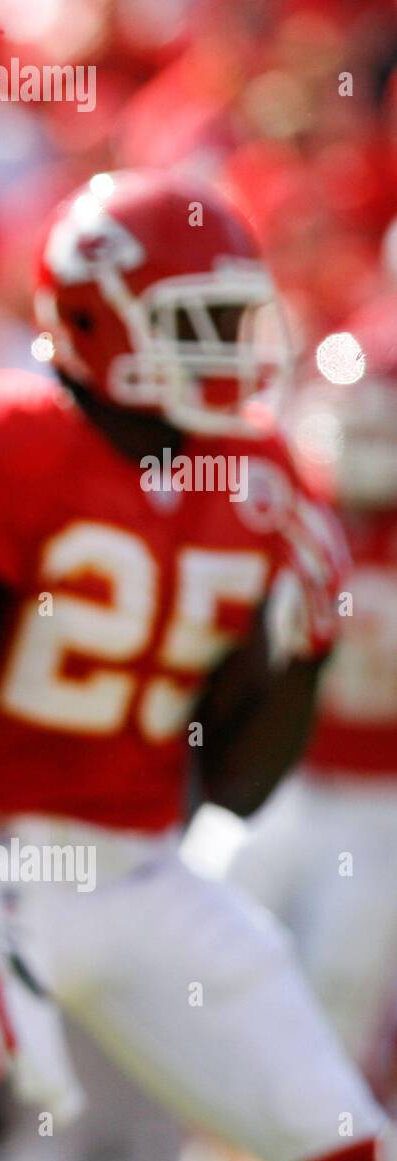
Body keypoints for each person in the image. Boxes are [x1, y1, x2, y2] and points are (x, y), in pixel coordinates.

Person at [0, 170, 390, 1161]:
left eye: (234, 316)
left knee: (342, 1147)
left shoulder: (254, 472)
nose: (227, 344)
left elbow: (234, 786)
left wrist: (297, 649)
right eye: (195, 319)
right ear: (92, 317)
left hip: (138, 867)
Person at [228, 296, 397, 1072]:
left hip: (380, 802)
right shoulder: (295, 508)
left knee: (341, 978)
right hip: (283, 780)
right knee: (219, 954)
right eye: (350, 418)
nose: (362, 441)